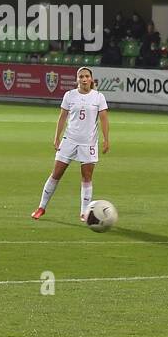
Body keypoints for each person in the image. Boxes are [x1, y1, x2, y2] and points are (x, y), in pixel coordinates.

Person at [32, 66, 110, 223]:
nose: (84, 79)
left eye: (87, 76)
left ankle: (84, 213)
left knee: (87, 177)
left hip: (88, 143)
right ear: (77, 79)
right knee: (56, 174)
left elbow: (103, 119)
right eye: (81, 76)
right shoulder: (69, 95)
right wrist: (57, 137)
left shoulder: (98, 97)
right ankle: (41, 207)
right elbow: (62, 117)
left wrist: (106, 139)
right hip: (69, 140)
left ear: (91, 79)